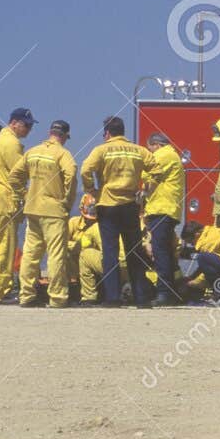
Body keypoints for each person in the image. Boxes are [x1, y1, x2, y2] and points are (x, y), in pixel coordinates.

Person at [80, 116, 153, 308]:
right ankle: (141, 298)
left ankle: (112, 297)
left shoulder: (101, 150)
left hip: (107, 205)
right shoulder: (139, 150)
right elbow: (157, 169)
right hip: (130, 205)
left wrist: (91, 190)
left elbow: (85, 170)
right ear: (123, 131)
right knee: (134, 251)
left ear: (107, 133)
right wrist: (146, 189)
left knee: (110, 251)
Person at [9, 120, 78, 308]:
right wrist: (66, 202)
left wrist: (24, 194)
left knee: (31, 253)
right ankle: (57, 297)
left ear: (50, 132)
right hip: (53, 211)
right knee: (55, 254)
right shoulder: (62, 154)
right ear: (64, 136)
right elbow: (71, 174)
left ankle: (26, 295)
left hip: (33, 209)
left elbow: (14, 176)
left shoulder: (33, 152)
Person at [0, 107, 35, 304]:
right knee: (4, 247)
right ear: (14, 123)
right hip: (4, 200)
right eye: (26, 125)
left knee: (0, 244)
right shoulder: (11, 144)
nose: (28, 130)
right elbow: (20, 172)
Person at [143, 132, 187, 306]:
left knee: (160, 251)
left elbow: (148, 174)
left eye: (150, 149)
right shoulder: (170, 154)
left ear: (156, 145)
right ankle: (171, 291)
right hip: (165, 209)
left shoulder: (164, 155)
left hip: (162, 209)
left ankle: (164, 293)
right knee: (165, 252)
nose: (150, 153)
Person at [66, 197, 103, 305]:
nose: (90, 221)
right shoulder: (73, 223)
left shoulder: (100, 226)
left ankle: (90, 294)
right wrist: (77, 247)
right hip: (74, 266)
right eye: (87, 218)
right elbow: (61, 242)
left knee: (86, 255)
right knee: (62, 254)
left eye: (93, 219)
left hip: (93, 266)